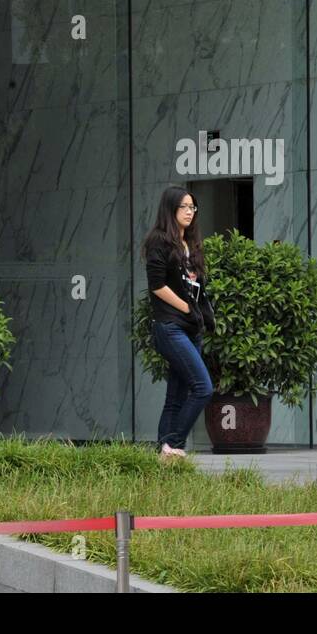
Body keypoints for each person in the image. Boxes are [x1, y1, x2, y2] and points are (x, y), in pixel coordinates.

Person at [143, 185, 213, 459]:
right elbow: (157, 286)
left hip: (191, 328)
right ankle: (174, 445)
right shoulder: (159, 242)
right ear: (171, 209)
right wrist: (187, 308)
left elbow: (197, 287)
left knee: (176, 396)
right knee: (203, 387)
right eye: (184, 207)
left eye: (192, 207)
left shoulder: (190, 244)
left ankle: (162, 455)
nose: (189, 212)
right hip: (170, 327)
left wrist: (203, 313)